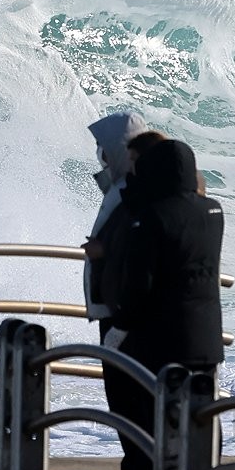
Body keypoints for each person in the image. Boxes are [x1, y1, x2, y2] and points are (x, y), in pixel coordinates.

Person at [105, 139, 225, 470]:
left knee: (156, 425)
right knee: (199, 423)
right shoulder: (213, 210)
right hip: (205, 337)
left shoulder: (153, 216)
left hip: (162, 341)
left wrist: (120, 328)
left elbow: (139, 285)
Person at [82, 111, 148, 323]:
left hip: (123, 310)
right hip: (113, 302)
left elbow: (141, 244)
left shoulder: (132, 190)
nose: (103, 157)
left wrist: (105, 248)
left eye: (105, 151)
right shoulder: (122, 186)